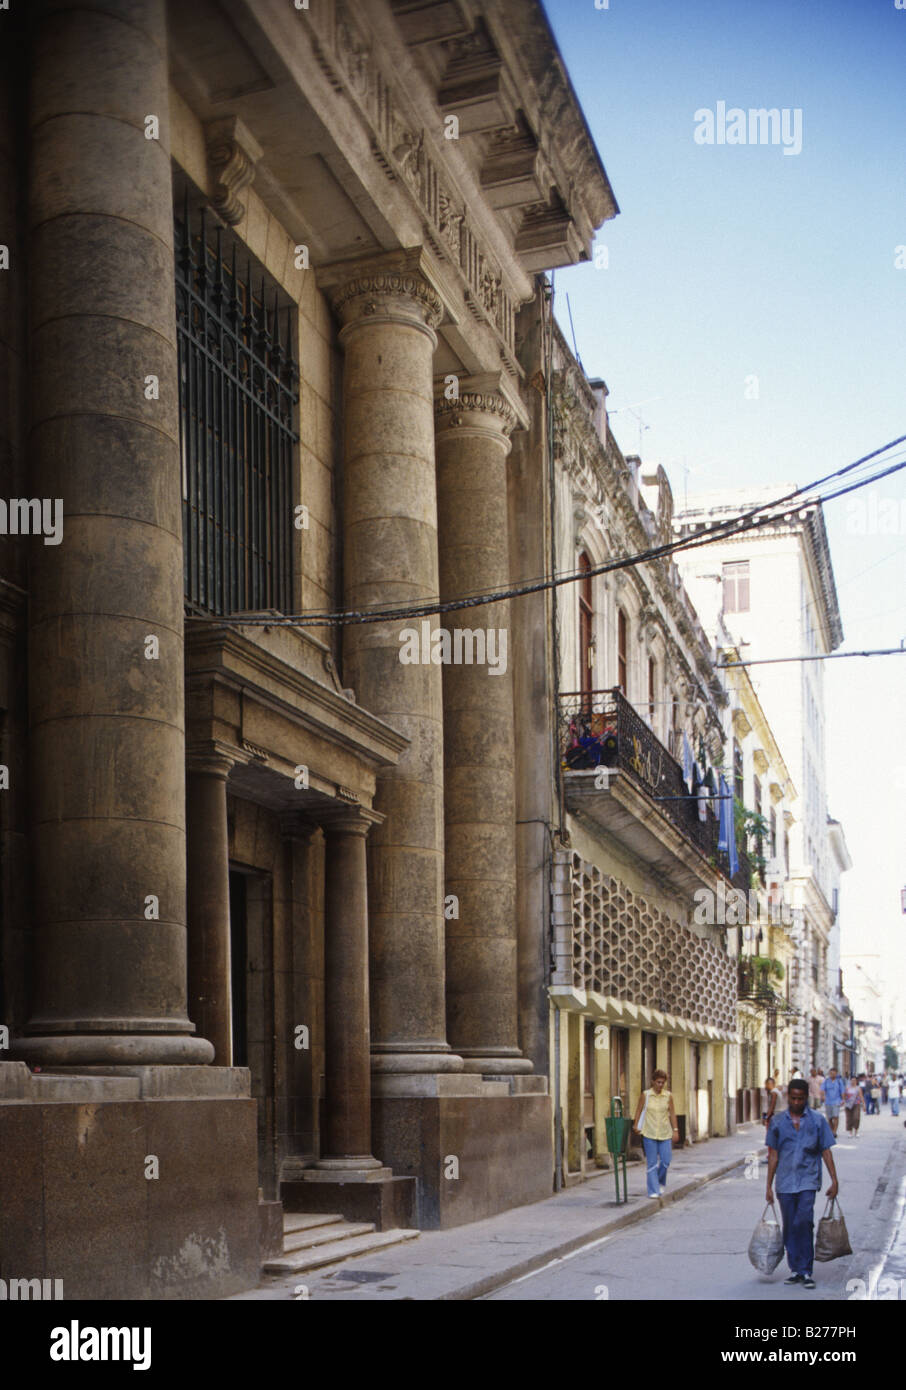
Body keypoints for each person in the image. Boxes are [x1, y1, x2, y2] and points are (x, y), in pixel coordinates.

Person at [765, 1078, 839, 1289]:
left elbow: (826, 1151)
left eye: (800, 1098)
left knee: (804, 1221)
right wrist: (768, 1186)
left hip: (808, 1180)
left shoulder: (817, 1121)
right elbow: (773, 1156)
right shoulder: (778, 1122)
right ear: (788, 1097)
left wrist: (834, 1180)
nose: (796, 1102)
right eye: (793, 1098)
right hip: (785, 1182)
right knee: (790, 1225)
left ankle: (806, 1270)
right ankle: (795, 1269)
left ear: (806, 1098)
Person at [632, 1069, 679, 1199]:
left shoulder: (668, 1096)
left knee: (665, 1161)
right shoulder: (646, 1095)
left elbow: (672, 1113)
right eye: (658, 1082)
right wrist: (636, 1124)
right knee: (652, 1163)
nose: (660, 1085)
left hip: (665, 1133)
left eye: (663, 1082)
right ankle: (653, 1189)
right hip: (649, 1132)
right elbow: (639, 1110)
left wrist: (675, 1130)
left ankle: (660, 1182)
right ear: (653, 1081)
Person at [822, 1067, 845, 1135]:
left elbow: (842, 1091)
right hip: (828, 1102)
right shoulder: (826, 1081)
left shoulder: (839, 1081)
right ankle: (832, 1130)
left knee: (836, 1116)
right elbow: (822, 1090)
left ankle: (834, 1131)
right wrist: (823, 1096)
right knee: (829, 1118)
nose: (832, 1075)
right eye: (831, 1073)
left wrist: (843, 1099)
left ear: (836, 1074)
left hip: (836, 1101)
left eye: (834, 1073)